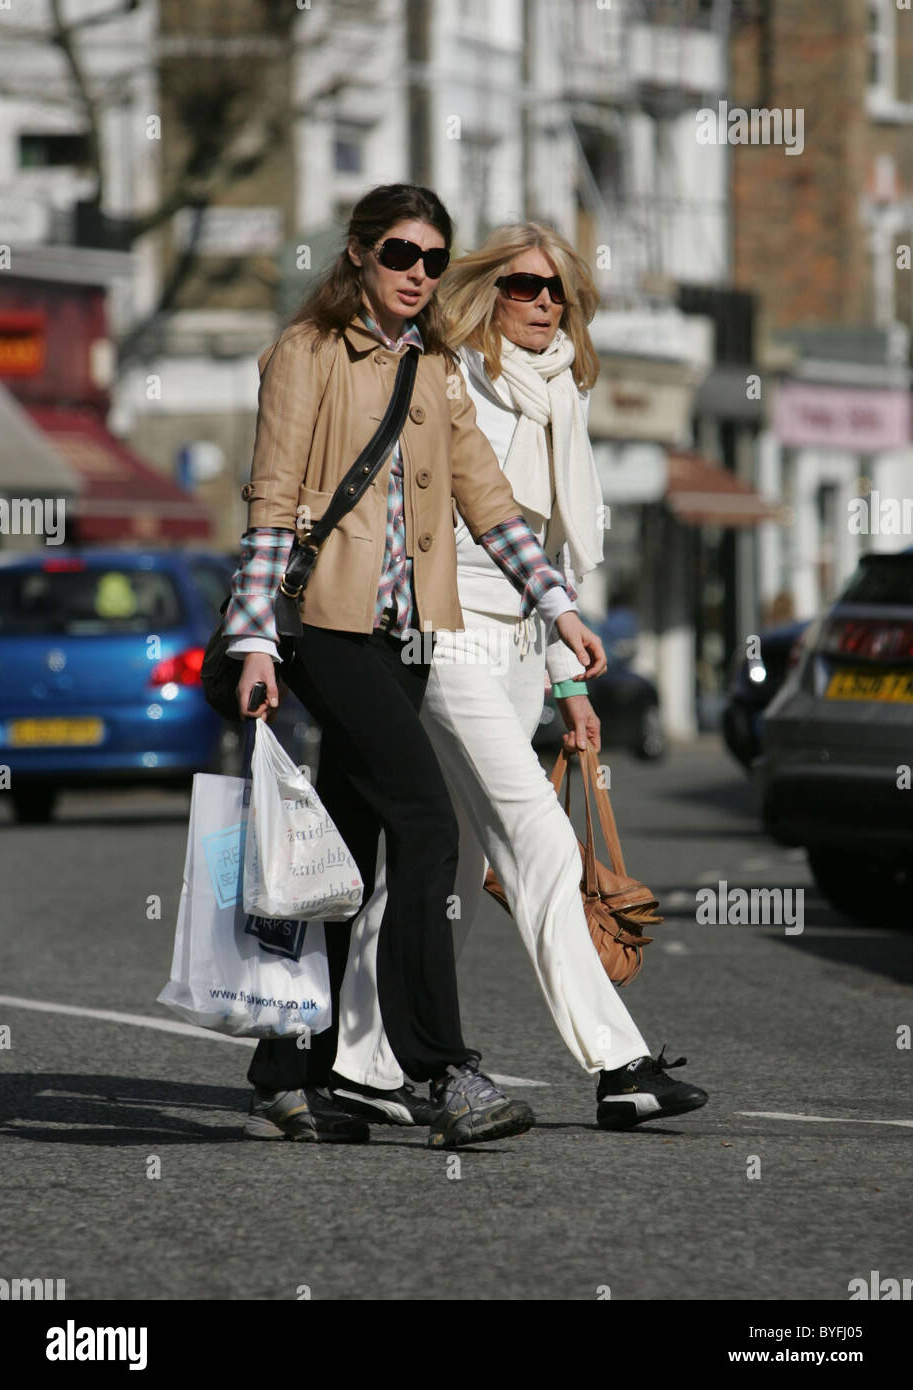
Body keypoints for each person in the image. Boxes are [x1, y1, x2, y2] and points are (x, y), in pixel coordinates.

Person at [221, 186, 608, 1150]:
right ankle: (443, 1071)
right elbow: (272, 500)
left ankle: (292, 1072)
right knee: (429, 827)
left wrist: (556, 603)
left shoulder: (435, 367)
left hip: (402, 634)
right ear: (356, 253)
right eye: (399, 253)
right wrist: (258, 639)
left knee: (347, 858)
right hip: (322, 629)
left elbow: (489, 499)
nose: (417, 275)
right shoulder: (305, 354)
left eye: (434, 260)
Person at [326, 223, 709, 1132]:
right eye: (525, 286)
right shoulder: (449, 376)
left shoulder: (557, 397)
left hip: (520, 648)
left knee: (439, 867)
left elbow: (545, 553)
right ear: (484, 290)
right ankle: (619, 1063)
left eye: (560, 293)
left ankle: (360, 1064)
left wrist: (567, 684)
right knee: (536, 837)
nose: (545, 305)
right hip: (445, 637)